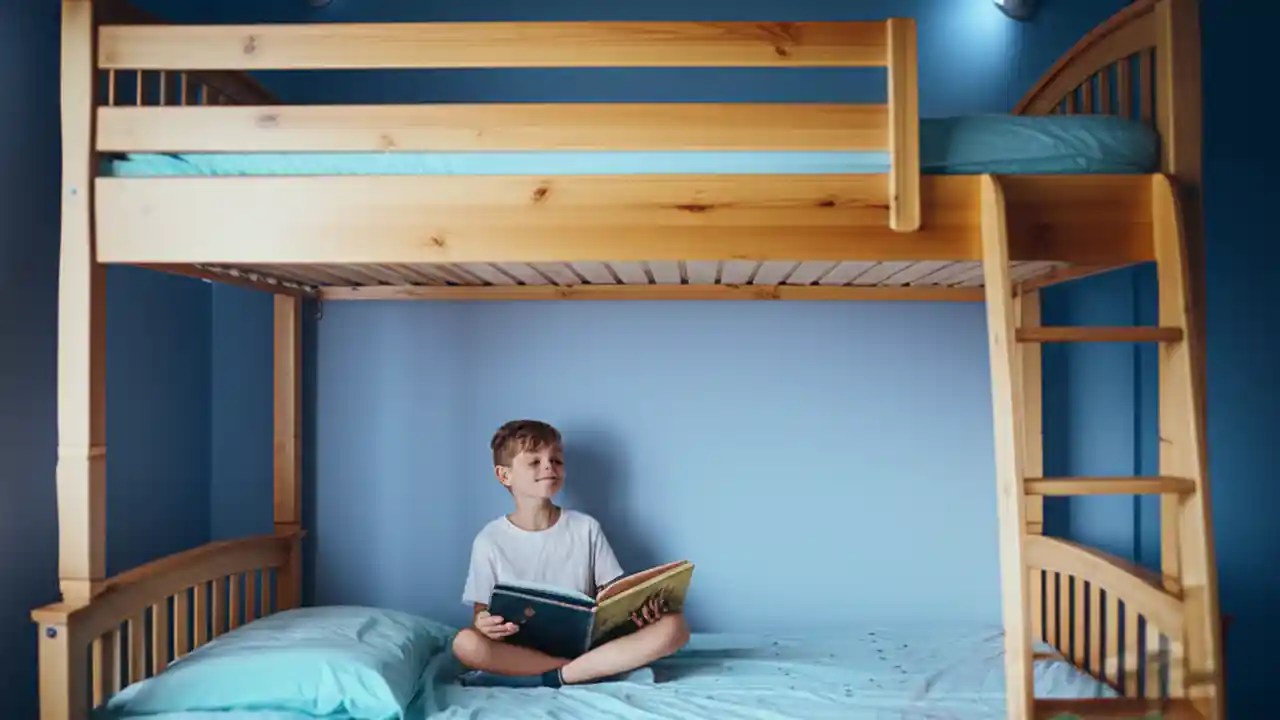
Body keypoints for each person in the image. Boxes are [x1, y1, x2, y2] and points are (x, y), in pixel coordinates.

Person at [451, 420, 690, 687]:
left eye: (557, 461)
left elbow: (614, 594)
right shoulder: (490, 540)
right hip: (524, 651)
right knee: (465, 643)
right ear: (505, 475)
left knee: (674, 627)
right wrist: (485, 624)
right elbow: (481, 613)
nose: (549, 467)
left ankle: (559, 675)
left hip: (587, 645)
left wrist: (639, 613)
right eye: (534, 462)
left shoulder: (585, 527)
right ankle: (583, 671)